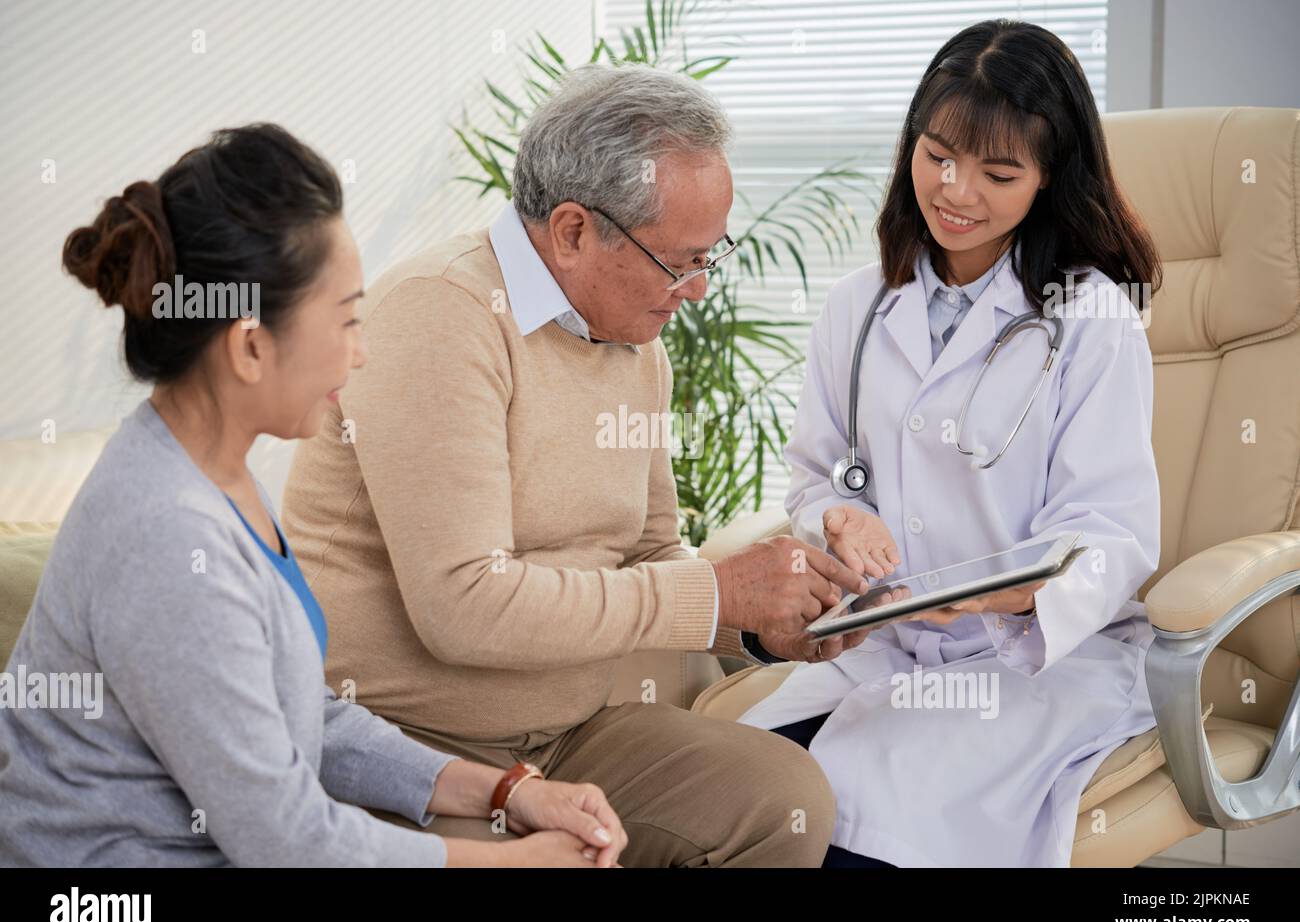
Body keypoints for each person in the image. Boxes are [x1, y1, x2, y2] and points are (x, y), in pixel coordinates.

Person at [281, 65, 870, 866]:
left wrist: (765, 624)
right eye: (678, 262)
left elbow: (653, 552)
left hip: (573, 735)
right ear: (570, 231)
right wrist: (715, 592)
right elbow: (464, 606)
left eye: (711, 256)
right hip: (412, 750)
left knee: (785, 799)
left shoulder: (633, 335)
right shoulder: (441, 315)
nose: (696, 291)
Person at [0, 124, 625, 867]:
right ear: (250, 344)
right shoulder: (169, 535)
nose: (360, 350)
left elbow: (302, 717)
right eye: (346, 318)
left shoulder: (215, 473)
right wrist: (520, 862)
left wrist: (505, 792)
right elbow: (284, 838)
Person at [737, 19, 1164, 867]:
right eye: (937, 155)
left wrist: (989, 597)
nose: (956, 190)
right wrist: (838, 521)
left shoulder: (1090, 322)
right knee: (735, 790)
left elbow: (1109, 534)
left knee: (860, 822)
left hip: (1034, 664)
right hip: (886, 644)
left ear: (1048, 180)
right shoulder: (858, 310)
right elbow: (819, 474)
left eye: (998, 173)